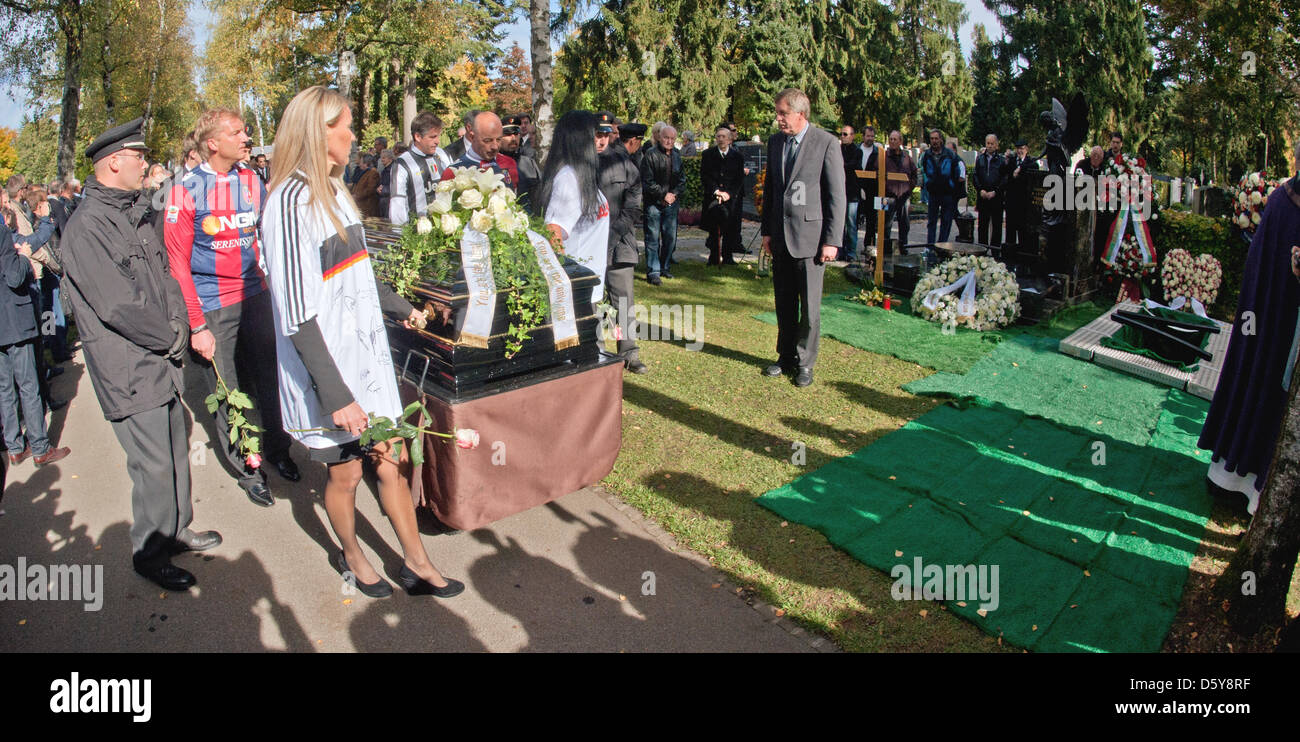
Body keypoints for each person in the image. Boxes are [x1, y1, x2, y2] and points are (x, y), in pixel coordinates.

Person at [260, 86, 463, 599]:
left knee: (391, 456)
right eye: (344, 125)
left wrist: (404, 308)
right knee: (348, 473)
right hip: (330, 369)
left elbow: (359, 275)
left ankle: (417, 563)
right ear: (317, 130)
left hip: (366, 357)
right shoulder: (287, 201)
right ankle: (353, 554)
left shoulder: (334, 190)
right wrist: (337, 396)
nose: (354, 134)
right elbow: (296, 315)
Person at [61, 117, 218, 591]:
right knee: (151, 464)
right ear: (114, 163)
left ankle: (177, 528)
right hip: (129, 364)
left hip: (157, 355)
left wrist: (177, 325)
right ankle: (151, 552)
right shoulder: (88, 227)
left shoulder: (134, 212)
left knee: (173, 450)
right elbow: (116, 304)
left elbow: (167, 276)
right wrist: (171, 335)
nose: (145, 164)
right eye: (138, 157)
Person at [165, 107, 301, 510]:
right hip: (212, 306)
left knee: (270, 379)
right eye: (238, 133)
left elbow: (269, 235)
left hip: (256, 296)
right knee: (229, 392)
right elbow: (177, 265)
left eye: (245, 132)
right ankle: (249, 467)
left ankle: (279, 450)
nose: (246, 139)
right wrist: (196, 324)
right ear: (213, 143)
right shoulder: (184, 189)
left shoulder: (251, 179)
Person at [1198, 144, 1300, 515]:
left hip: (1291, 331)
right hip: (1270, 325)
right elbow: (1260, 272)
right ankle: (1232, 477)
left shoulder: (1277, 201)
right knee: (1257, 383)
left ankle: (1259, 489)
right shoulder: (1280, 203)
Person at [760, 87, 845, 388]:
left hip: (812, 240)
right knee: (783, 303)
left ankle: (805, 363)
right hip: (781, 238)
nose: (778, 119)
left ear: (800, 113)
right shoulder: (775, 143)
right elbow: (771, 189)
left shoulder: (826, 143)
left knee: (809, 308)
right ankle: (784, 357)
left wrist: (832, 240)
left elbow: (836, 196)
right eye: (777, 113)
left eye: (782, 113)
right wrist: (767, 231)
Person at [3, 201, 69, 467]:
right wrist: (23, 255)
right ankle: (40, 447)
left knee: (4, 390)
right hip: (14, 322)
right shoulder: (2, 234)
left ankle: (14, 447)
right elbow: (14, 277)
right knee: (28, 385)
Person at [540, 110, 611, 304]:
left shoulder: (581, 175)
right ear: (581, 138)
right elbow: (553, 231)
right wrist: (567, 281)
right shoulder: (569, 178)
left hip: (587, 288)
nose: (599, 140)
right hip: (576, 293)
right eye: (595, 134)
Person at [595, 111, 647, 374]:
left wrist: (611, 236)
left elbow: (633, 206)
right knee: (591, 303)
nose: (603, 139)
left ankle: (628, 352)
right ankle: (594, 352)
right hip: (588, 249)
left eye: (607, 134)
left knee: (623, 304)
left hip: (620, 244)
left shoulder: (627, 165)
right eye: (599, 134)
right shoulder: (580, 164)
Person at [640, 121, 683, 285]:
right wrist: (662, 195)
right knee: (652, 238)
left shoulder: (677, 155)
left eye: (672, 138)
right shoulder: (650, 154)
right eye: (666, 137)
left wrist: (674, 194)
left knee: (670, 237)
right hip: (653, 203)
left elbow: (682, 180)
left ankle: (665, 267)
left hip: (671, 203)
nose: (669, 141)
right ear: (659, 137)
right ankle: (654, 272)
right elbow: (647, 181)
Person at [389, 111, 450, 225]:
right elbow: (397, 203)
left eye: (438, 136)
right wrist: (402, 235)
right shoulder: (402, 163)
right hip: (418, 234)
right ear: (417, 136)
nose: (437, 141)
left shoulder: (441, 155)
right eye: (432, 137)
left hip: (446, 230)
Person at [701, 123, 746, 266]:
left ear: (730, 139)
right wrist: (716, 191)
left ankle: (728, 256)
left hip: (730, 198)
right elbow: (705, 175)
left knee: (730, 229)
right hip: (713, 196)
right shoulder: (708, 155)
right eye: (718, 136)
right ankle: (714, 257)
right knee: (714, 229)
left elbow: (739, 178)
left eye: (724, 137)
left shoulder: (737, 156)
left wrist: (729, 193)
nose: (721, 139)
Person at [440, 111, 519, 191]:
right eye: (488, 140)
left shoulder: (509, 163)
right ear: (472, 136)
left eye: (498, 139)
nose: (495, 147)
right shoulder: (453, 172)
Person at [919, 128, 961, 243]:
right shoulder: (927, 154)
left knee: (946, 222)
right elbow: (925, 170)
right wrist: (929, 183)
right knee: (931, 222)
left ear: (941, 139)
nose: (934, 141)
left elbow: (956, 172)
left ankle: (942, 245)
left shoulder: (950, 154)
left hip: (947, 193)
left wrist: (952, 185)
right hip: (933, 192)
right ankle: (930, 246)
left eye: (936, 138)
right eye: (932, 139)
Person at [1002, 138, 1039, 259]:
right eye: (1018, 148)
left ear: (1027, 149)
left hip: (1024, 205)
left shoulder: (1031, 162)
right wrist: (1007, 162)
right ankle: (1009, 260)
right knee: (1010, 235)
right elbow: (1003, 173)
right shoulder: (1012, 161)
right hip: (1011, 203)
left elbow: (1032, 170)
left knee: (1023, 234)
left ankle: (1022, 260)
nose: (1019, 151)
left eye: (1022, 148)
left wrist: (1020, 169)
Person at [882, 130, 917, 248]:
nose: (892, 142)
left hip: (903, 196)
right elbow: (877, 174)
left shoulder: (906, 158)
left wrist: (909, 189)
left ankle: (903, 246)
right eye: (890, 139)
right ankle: (885, 248)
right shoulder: (883, 157)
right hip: (887, 196)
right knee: (885, 224)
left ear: (900, 141)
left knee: (904, 224)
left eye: (895, 139)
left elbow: (914, 175)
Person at [973, 133, 1007, 247]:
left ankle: (995, 251)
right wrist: (980, 190)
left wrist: (996, 191)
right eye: (988, 143)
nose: (990, 146)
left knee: (997, 226)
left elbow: (1004, 178)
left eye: (992, 143)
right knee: (982, 225)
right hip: (983, 197)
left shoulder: (1001, 160)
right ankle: (982, 250)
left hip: (996, 198)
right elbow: (975, 175)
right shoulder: (980, 159)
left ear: (997, 145)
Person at [501, 114, 541, 211]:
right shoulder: (492, 164)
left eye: (516, 133)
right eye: (507, 134)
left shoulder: (529, 163)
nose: (513, 138)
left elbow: (538, 197)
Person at [837, 124, 864, 261]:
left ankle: (851, 252)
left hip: (852, 192)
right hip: (839, 192)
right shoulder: (837, 149)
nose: (842, 137)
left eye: (845, 134)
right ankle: (840, 250)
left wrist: (841, 165)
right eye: (841, 134)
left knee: (851, 223)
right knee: (839, 223)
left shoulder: (857, 151)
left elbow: (853, 166)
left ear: (852, 136)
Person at [857, 126, 881, 247]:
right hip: (856, 188)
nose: (870, 138)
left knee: (871, 221)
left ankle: (869, 247)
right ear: (863, 136)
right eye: (868, 136)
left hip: (872, 190)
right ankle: (850, 249)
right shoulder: (857, 149)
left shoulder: (878, 152)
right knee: (854, 220)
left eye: (872, 136)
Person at [350, 152, 382, 217]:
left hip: (367, 206)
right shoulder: (364, 172)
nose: (360, 164)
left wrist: (357, 196)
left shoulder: (373, 173)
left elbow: (370, 189)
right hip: (361, 204)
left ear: (366, 163)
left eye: (361, 162)